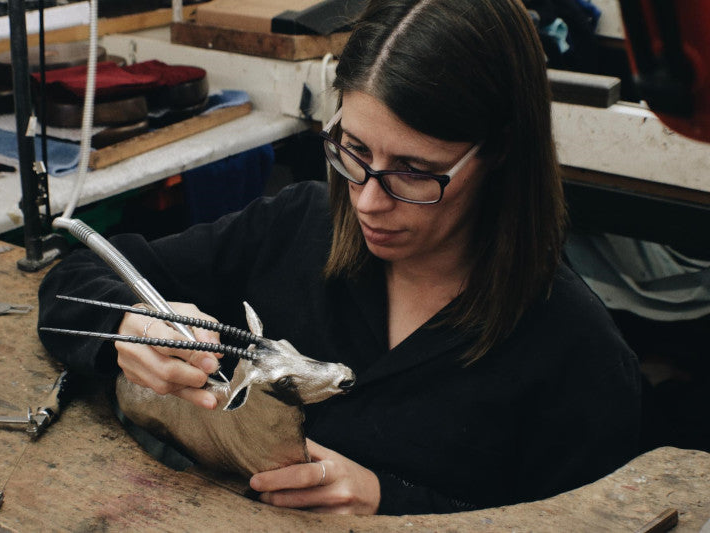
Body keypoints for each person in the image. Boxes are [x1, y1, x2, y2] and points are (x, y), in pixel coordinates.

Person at [38, 0, 641, 516]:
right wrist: (125, 327)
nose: (368, 202)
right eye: (353, 151)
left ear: (500, 152)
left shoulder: (577, 353)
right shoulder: (298, 225)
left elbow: (587, 522)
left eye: (414, 171)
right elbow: (73, 279)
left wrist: (394, 505)